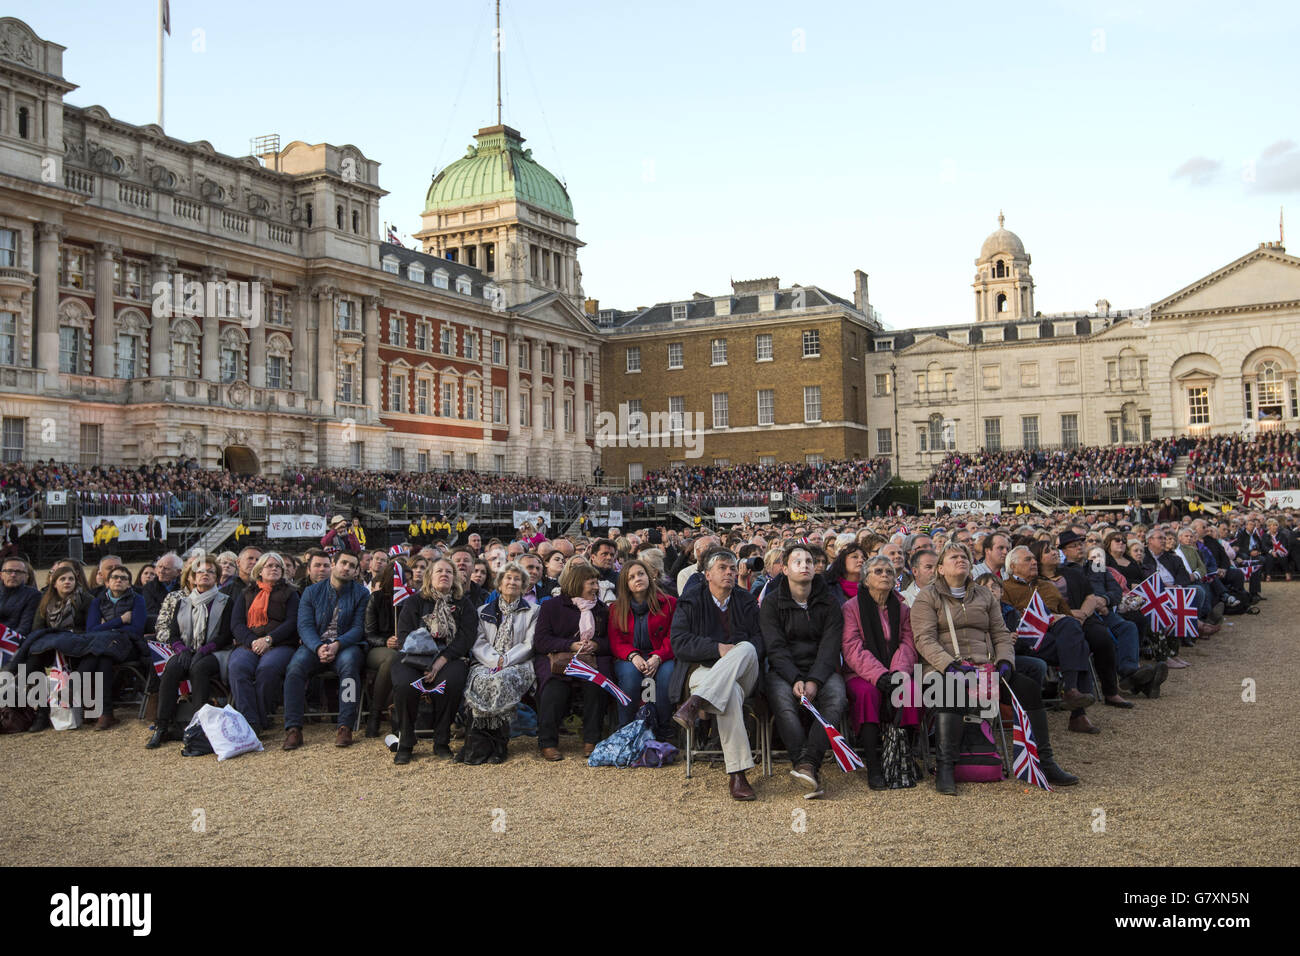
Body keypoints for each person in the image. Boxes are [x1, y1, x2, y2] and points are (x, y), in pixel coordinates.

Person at [910, 543, 1078, 792]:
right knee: (951, 691)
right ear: (941, 568)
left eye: (965, 556)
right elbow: (924, 639)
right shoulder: (928, 596)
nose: (961, 560)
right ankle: (945, 767)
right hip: (942, 667)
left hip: (984, 667)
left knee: (1028, 687)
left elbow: (1000, 634)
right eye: (954, 557)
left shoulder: (984, 595)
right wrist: (950, 666)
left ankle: (1045, 761)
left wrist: (1004, 662)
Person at [670, 548, 765, 801]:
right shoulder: (690, 600)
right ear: (708, 574)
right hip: (703, 669)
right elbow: (679, 642)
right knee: (730, 692)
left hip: (745, 670)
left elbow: (760, 640)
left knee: (746, 647)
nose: (730, 572)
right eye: (723, 568)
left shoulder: (746, 600)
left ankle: (697, 702)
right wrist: (717, 648)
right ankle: (738, 774)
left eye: (733, 568)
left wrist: (733, 654)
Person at [760, 543, 846, 797]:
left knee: (836, 698)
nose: (805, 565)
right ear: (784, 569)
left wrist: (815, 680)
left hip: (821, 669)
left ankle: (808, 763)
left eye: (809, 561)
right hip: (785, 670)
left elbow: (830, 647)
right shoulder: (772, 603)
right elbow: (775, 646)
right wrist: (795, 678)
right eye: (797, 561)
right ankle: (804, 763)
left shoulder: (829, 602)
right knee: (783, 702)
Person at [389, 556, 477, 763]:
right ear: (430, 576)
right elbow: (403, 635)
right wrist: (426, 663)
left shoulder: (463, 604)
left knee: (451, 683)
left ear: (455, 577)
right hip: (414, 656)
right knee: (405, 685)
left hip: (449, 657)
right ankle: (406, 741)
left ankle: (441, 740)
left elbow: (466, 638)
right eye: (439, 571)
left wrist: (440, 661)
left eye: (449, 571)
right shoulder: (415, 602)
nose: (444, 575)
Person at [282, 550, 370, 750]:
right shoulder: (311, 592)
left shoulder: (361, 593)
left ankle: (345, 725)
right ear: (334, 563)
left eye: (352, 566)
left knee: (349, 668)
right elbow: (304, 626)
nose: (346, 568)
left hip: (346, 644)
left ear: (357, 571)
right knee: (295, 669)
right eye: (343, 563)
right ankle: (293, 728)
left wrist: (337, 644)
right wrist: (319, 646)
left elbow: (358, 628)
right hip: (315, 644)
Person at [146, 555, 234, 748]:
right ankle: (162, 726)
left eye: (210, 572)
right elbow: (174, 633)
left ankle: (199, 728)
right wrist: (181, 650)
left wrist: (205, 649)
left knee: (199, 669)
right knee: (171, 668)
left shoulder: (226, 602)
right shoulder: (183, 602)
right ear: (192, 577)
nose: (205, 575)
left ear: (217, 577)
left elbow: (226, 635)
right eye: (200, 571)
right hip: (188, 650)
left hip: (215, 652)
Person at [533, 562, 613, 761]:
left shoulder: (601, 609)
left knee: (598, 682)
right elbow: (541, 641)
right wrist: (570, 645)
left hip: (590, 659)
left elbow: (609, 641)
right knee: (554, 686)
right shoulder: (551, 606)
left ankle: (591, 739)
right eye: (592, 583)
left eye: (597, 583)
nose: (596, 588)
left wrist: (595, 645)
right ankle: (547, 742)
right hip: (557, 657)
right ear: (577, 583)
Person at [460, 562, 539, 764]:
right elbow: (478, 641)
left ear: (523, 585)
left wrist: (506, 661)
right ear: (500, 583)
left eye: (517, 579)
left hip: (518, 664)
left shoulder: (533, 611)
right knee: (479, 681)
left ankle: (498, 744)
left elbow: (529, 643)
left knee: (501, 680)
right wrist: (495, 660)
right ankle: (479, 744)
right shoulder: (483, 611)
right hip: (486, 661)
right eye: (508, 578)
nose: (512, 582)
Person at [228, 552, 300, 734]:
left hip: (280, 644)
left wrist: (269, 639)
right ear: (259, 571)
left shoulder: (291, 593)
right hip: (249, 643)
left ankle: (258, 719)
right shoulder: (247, 593)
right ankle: (251, 721)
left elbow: (292, 622)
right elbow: (236, 623)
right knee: (238, 667)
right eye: (270, 566)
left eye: (278, 567)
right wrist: (253, 641)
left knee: (266, 669)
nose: (274, 569)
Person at [608, 558, 677, 734]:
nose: (637, 578)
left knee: (666, 677)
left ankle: (663, 728)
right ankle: (626, 728)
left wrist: (658, 657)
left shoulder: (669, 603)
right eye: (631, 577)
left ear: (649, 576)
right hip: (630, 656)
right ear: (625, 584)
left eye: (641, 574)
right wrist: (633, 656)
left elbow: (673, 635)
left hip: (662, 655)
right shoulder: (616, 608)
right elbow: (616, 640)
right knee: (630, 678)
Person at [82, 564, 146, 730]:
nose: (119, 580)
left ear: (129, 584)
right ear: (107, 583)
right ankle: (104, 712)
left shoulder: (137, 599)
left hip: (129, 645)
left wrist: (106, 627)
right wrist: (120, 621)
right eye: (115, 577)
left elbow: (137, 629)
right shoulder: (98, 601)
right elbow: (90, 630)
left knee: (101, 656)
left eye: (123, 578)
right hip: (104, 646)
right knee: (104, 659)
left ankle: (100, 711)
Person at [362, 551, 400, 738]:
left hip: (405, 648)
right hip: (377, 649)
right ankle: (375, 714)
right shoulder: (375, 599)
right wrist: (386, 641)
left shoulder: (411, 601)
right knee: (392, 659)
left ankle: (398, 714)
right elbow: (369, 634)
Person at [0, 554, 40, 637]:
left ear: (26, 576)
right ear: (1, 575)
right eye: (9, 571)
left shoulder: (33, 595)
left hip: (12, 642)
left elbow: (24, 628)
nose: (13, 575)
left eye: (18, 572)